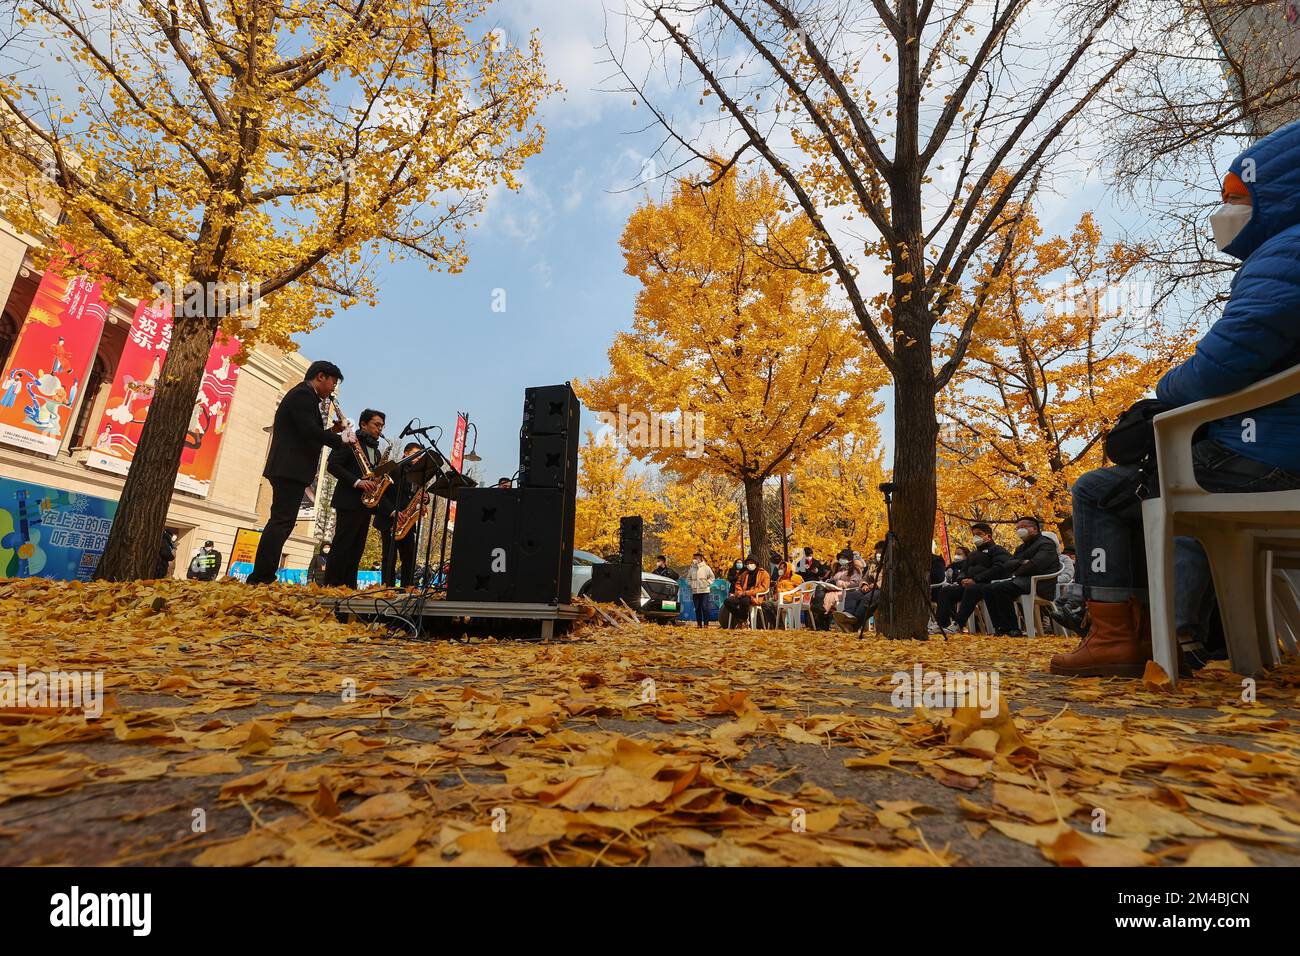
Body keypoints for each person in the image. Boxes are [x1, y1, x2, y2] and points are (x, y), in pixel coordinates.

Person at [1053, 124, 1300, 676]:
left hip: (1269, 459)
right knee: (1164, 476)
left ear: (1280, 193)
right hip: (1275, 448)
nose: (1226, 210)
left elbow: (1226, 360)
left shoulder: (1286, 252)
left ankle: (1129, 634)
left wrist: (1168, 389)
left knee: (1105, 488)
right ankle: (1170, 629)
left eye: (1237, 198)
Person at [248, 361, 351, 584]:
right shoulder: (303, 395)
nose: (333, 388)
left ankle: (262, 575)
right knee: (281, 522)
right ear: (321, 376)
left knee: (282, 522)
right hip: (289, 469)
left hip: (289, 468)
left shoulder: (305, 397)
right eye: (333, 382)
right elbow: (309, 432)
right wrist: (341, 439)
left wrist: (333, 431)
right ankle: (262, 577)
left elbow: (306, 431)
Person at [959, 517, 1059, 636]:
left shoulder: (1046, 544)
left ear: (1034, 528)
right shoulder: (1021, 548)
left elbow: (1035, 565)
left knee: (1000, 588)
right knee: (987, 588)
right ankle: (1000, 627)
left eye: (1023, 527)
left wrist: (1017, 568)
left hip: (1039, 584)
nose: (1019, 530)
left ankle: (1013, 628)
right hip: (1021, 582)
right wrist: (1021, 563)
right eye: (1018, 528)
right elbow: (1008, 565)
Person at [325, 408, 386, 588]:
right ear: (363, 424)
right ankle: (332, 585)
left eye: (382, 426)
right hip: (348, 500)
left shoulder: (377, 451)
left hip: (365, 505)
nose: (380, 429)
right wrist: (357, 482)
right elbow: (333, 466)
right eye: (376, 425)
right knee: (342, 545)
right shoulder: (350, 440)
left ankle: (349, 587)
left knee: (357, 549)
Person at [941, 524, 1014, 632]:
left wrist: (976, 579)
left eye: (979, 534)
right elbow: (964, 570)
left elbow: (999, 569)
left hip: (987, 585)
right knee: (946, 591)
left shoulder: (997, 550)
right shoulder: (972, 554)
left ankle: (958, 624)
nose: (976, 537)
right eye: (974, 534)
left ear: (988, 536)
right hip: (969, 585)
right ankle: (942, 624)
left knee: (972, 589)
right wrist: (962, 580)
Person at [376, 441, 425, 588]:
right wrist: (393, 512)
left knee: (409, 558)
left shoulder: (417, 476)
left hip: (407, 521)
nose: (418, 458)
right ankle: (387, 588)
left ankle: (407, 589)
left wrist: (424, 499)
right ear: (405, 453)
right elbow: (380, 494)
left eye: (420, 456)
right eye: (415, 454)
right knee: (389, 558)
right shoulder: (393, 468)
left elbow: (415, 496)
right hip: (389, 519)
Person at [722, 555, 771, 628]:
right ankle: (742, 619)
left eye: (751, 563)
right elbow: (738, 584)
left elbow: (763, 588)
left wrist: (747, 593)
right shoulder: (744, 573)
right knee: (728, 601)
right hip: (742, 595)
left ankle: (742, 621)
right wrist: (739, 592)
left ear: (756, 563)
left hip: (754, 597)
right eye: (747, 563)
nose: (749, 565)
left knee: (744, 601)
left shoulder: (763, 573)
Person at [764, 560, 804, 627]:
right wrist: (775, 595)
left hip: (791, 600)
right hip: (780, 599)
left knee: (774, 605)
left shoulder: (796, 578)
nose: (780, 570)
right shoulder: (780, 578)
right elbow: (777, 590)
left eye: (782, 568)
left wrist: (791, 596)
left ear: (787, 569)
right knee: (765, 604)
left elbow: (801, 590)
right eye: (779, 568)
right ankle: (776, 624)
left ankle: (779, 625)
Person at [686, 551, 715, 627]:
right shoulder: (692, 568)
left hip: (704, 591)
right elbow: (688, 579)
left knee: (704, 607)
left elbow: (712, 577)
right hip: (695, 591)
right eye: (694, 557)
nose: (695, 559)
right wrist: (691, 584)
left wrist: (707, 583)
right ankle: (699, 624)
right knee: (697, 608)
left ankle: (706, 624)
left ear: (701, 558)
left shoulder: (706, 568)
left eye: (696, 557)